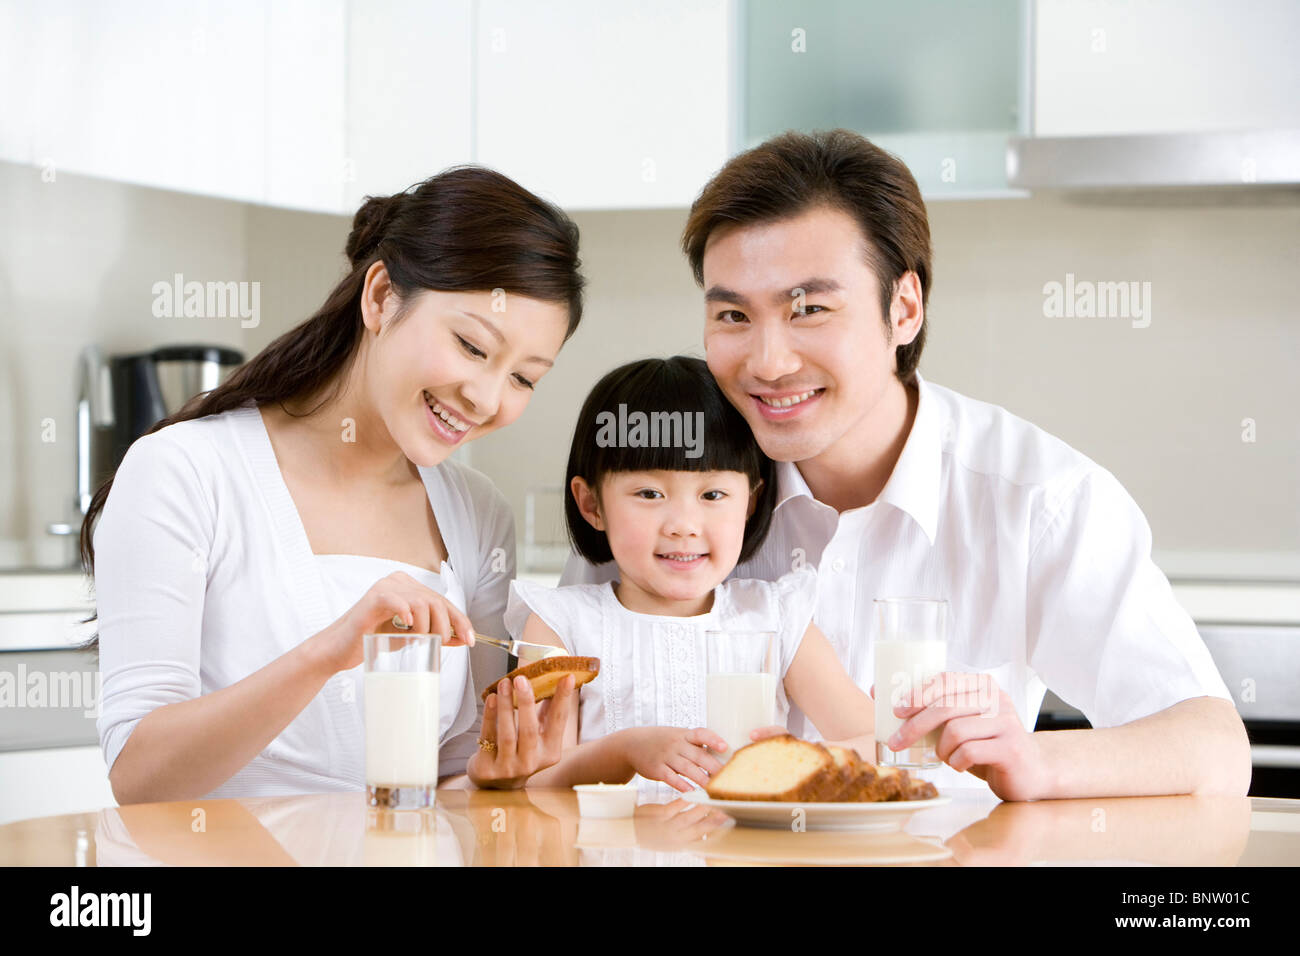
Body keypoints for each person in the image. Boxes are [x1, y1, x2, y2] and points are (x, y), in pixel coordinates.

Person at [564, 130, 1252, 801]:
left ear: (904, 308)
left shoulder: (1037, 499)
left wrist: (1037, 760)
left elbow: (1212, 747)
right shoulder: (666, 478)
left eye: (809, 308)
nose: (768, 362)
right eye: (734, 316)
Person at [86, 166, 582, 803]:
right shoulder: (185, 471)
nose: (486, 398)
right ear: (379, 297)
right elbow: (139, 777)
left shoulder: (476, 514)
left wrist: (507, 769)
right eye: (471, 345)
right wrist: (333, 649)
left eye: (524, 378)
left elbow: (456, 775)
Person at [493, 357, 875, 793]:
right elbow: (533, 784)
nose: (684, 524)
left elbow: (876, 743)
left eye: (713, 494)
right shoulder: (560, 624)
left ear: (750, 502)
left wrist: (799, 761)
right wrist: (622, 751)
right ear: (592, 505)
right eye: (649, 493)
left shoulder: (777, 618)